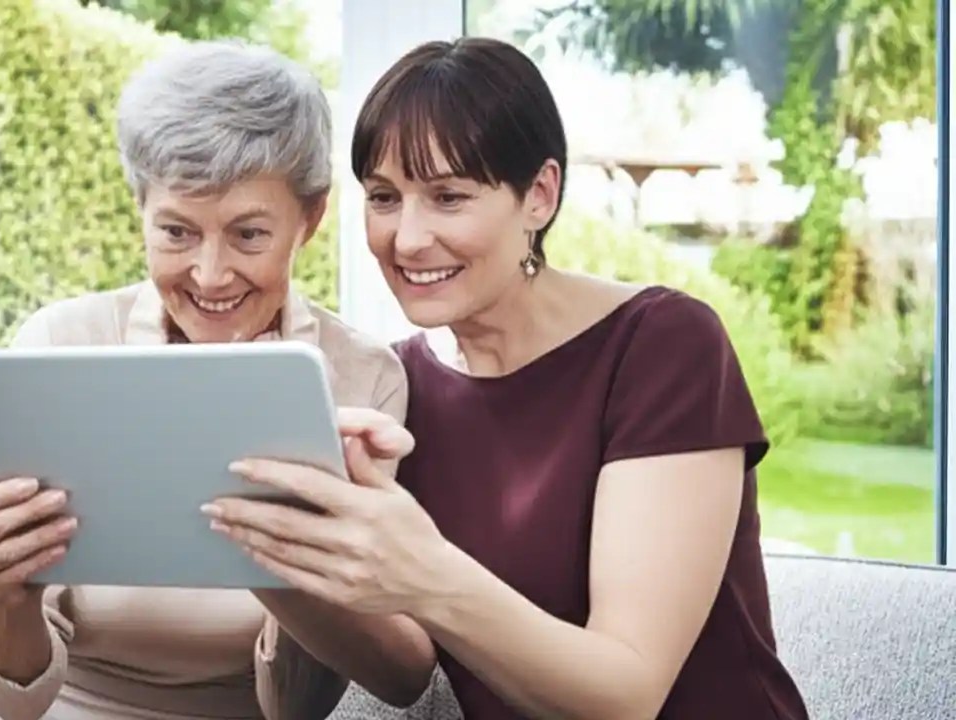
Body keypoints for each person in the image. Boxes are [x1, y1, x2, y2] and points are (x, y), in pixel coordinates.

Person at [201, 37, 811, 720]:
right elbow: (379, 684)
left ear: (539, 195)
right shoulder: (395, 388)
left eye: (448, 197)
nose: (407, 238)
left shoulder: (663, 346)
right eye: (384, 197)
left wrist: (426, 574)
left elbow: (627, 695)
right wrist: (263, 534)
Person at [0, 41, 436, 720]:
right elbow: (12, 701)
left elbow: (309, 703)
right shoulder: (60, 346)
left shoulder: (361, 379)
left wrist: (280, 544)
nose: (209, 275)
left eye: (249, 235)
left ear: (310, 219)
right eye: (176, 232)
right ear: (140, 208)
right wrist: (5, 598)